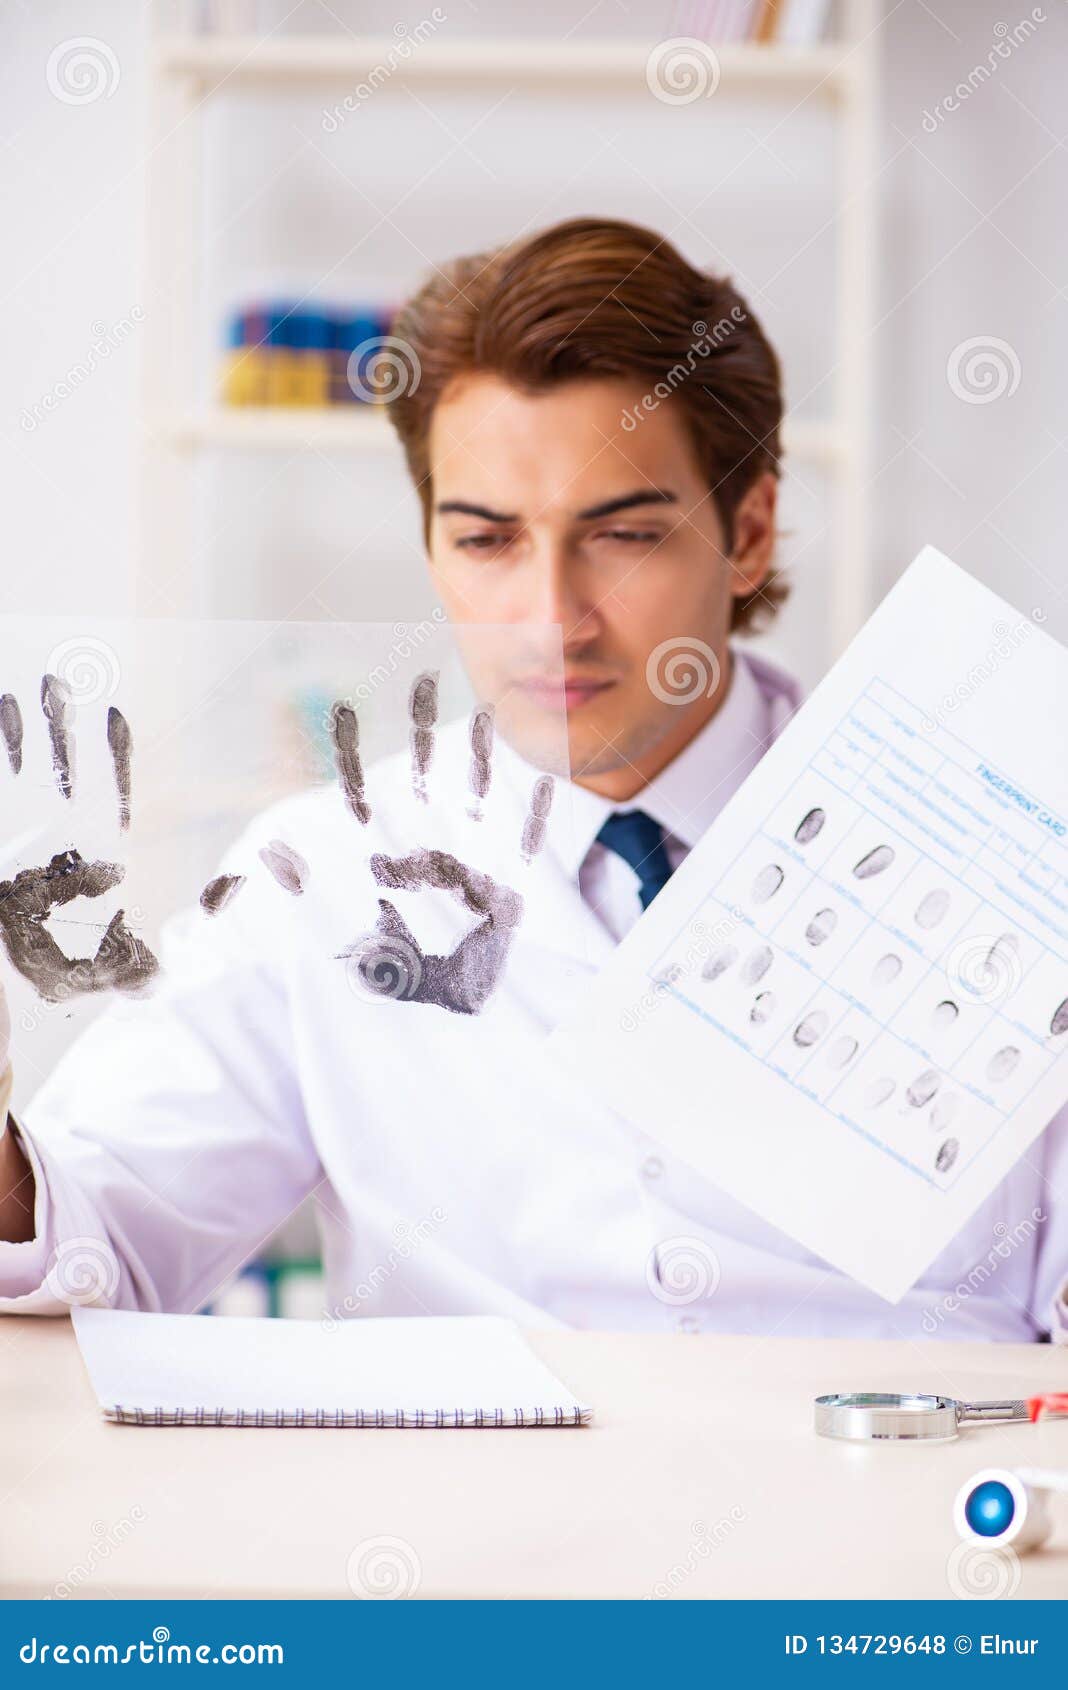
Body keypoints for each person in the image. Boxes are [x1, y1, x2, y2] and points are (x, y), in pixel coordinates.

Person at [0, 216, 1064, 1341]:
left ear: (748, 533)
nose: (552, 620)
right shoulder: (316, 875)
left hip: (911, 1494)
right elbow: (88, 1241)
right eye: (487, 541)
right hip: (479, 1507)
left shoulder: (1009, 841)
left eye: (624, 535)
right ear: (430, 544)